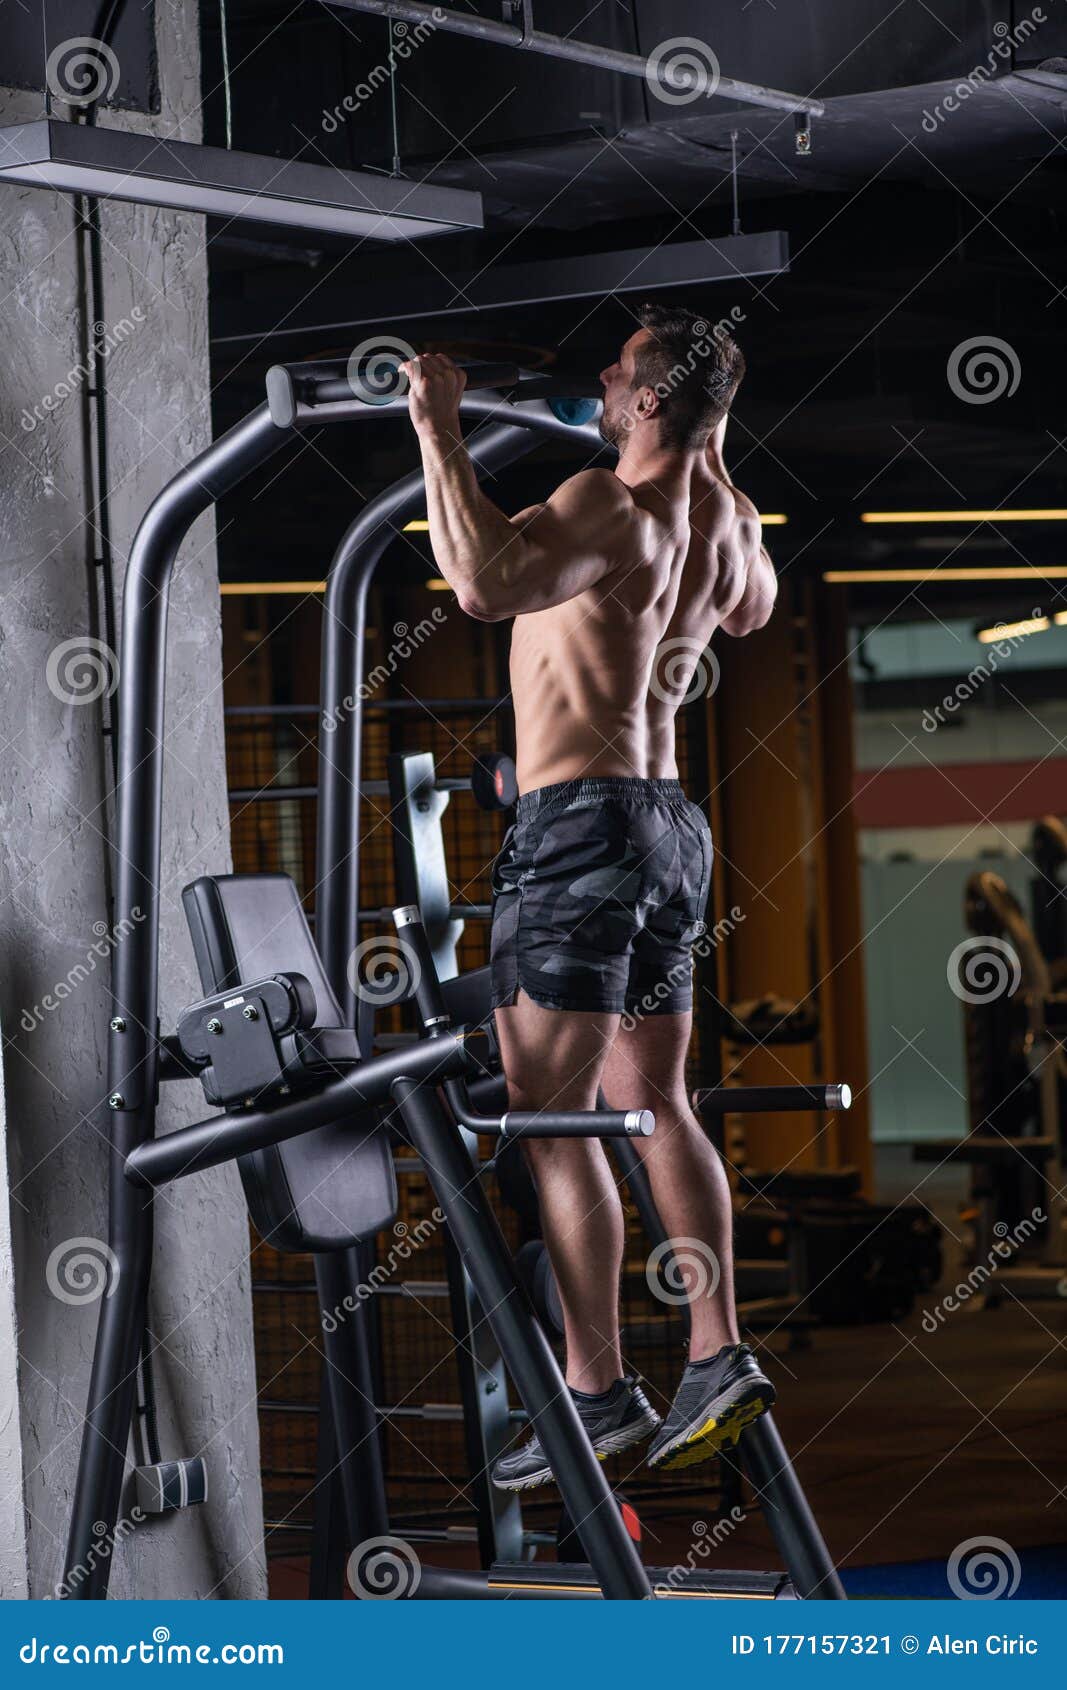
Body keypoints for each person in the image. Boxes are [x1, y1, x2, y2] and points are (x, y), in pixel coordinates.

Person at [402, 304, 778, 1491]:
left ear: (650, 401)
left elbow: (479, 583)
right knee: (654, 1101)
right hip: (669, 825)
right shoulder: (727, 519)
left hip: (578, 827)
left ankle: (597, 1388)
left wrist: (436, 424)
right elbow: (753, 609)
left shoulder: (603, 502)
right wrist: (705, 439)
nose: (601, 384)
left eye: (617, 375)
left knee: (550, 1118)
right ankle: (714, 1353)